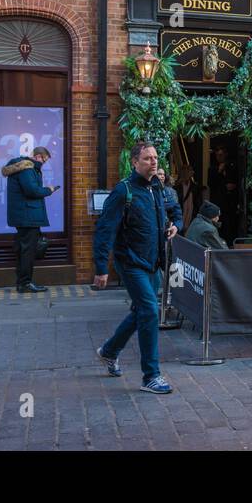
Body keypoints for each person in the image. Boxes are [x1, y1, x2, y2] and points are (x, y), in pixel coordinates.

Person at [92, 141, 180, 395]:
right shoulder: (124, 191)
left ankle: (109, 352)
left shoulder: (158, 188)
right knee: (150, 310)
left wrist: (175, 224)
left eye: (155, 157)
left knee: (142, 311)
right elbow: (105, 231)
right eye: (147, 158)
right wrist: (101, 268)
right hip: (130, 262)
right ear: (134, 162)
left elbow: (172, 211)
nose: (153, 162)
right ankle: (150, 376)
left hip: (152, 262)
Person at [2, 146, 59, 294]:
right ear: (38, 156)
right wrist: (49, 190)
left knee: (24, 250)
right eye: (44, 160)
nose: (44, 163)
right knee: (27, 251)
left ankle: (23, 282)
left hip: (25, 215)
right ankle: (25, 283)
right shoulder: (27, 169)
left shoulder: (24, 168)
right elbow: (32, 191)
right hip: (28, 216)